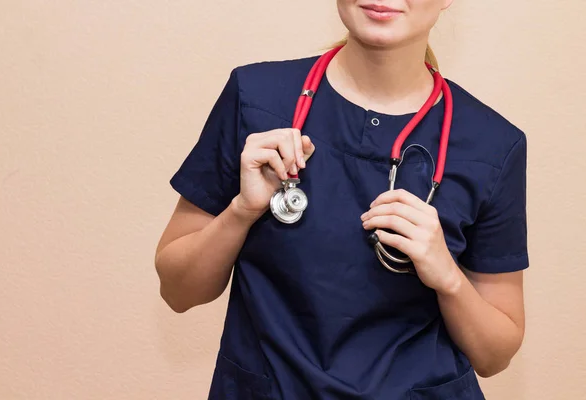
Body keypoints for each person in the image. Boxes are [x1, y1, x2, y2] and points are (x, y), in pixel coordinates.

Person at [155, 1, 528, 398]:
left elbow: (495, 355)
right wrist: (242, 211)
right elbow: (179, 291)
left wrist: (448, 277)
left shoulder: (493, 145)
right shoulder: (256, 97)